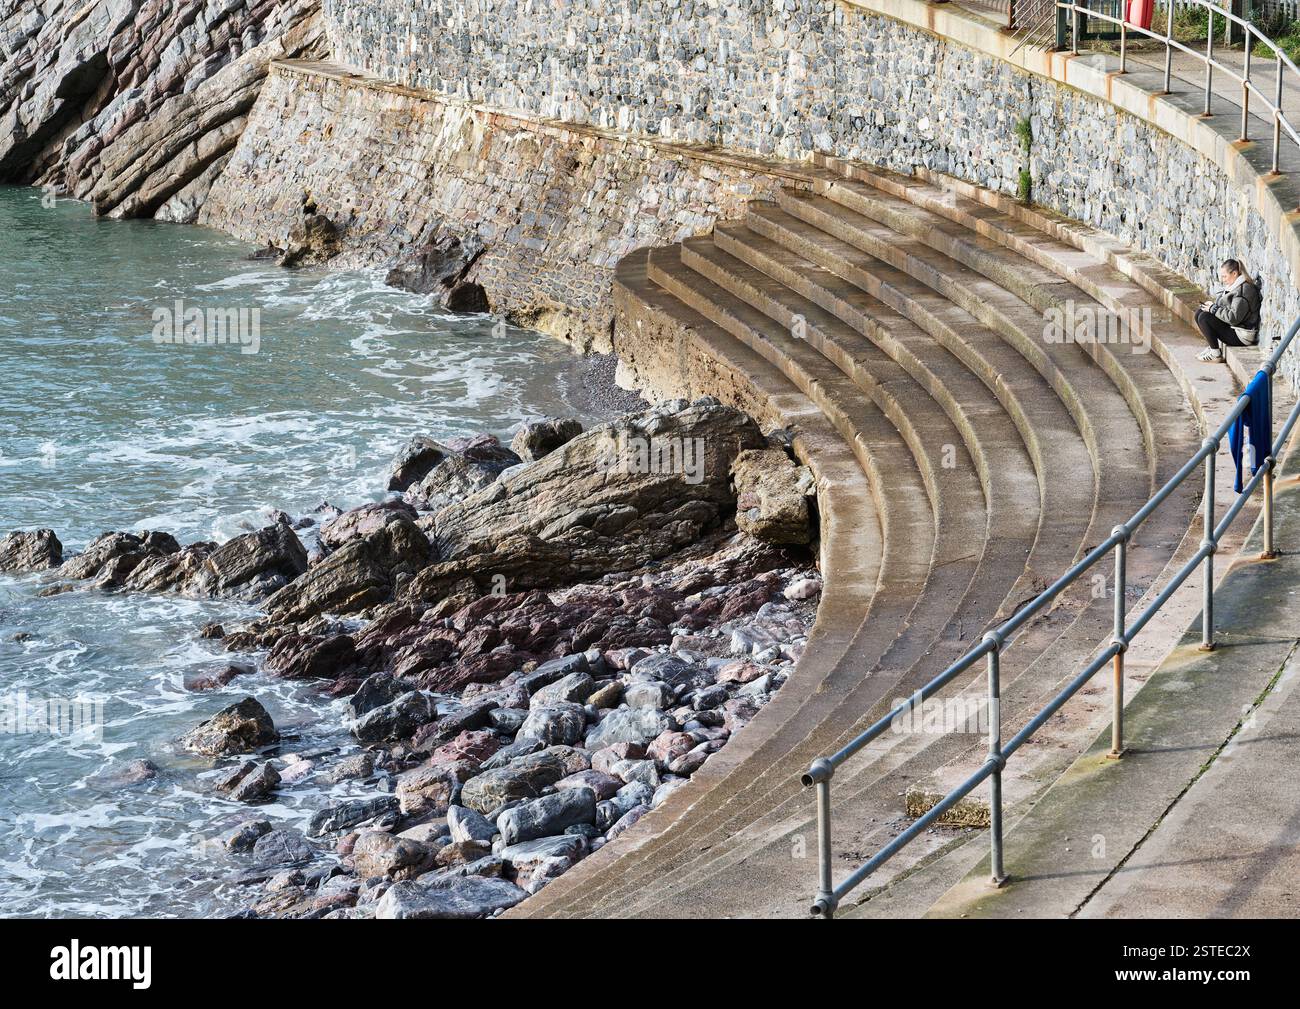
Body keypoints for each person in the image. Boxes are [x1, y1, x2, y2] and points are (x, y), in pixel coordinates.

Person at [1195, 259, 1261, 363]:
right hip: (1234, 327)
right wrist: (1211, 306)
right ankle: (1212, 347)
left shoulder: (1243, 291)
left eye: (1224, 276)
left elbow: (1233, 318)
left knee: (1204, 317)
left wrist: (1213, 308)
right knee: (1200, 312)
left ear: (1234, 273)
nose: (1222, 280)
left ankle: (1215, 354)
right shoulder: (1235, 286)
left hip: (1241, 336)